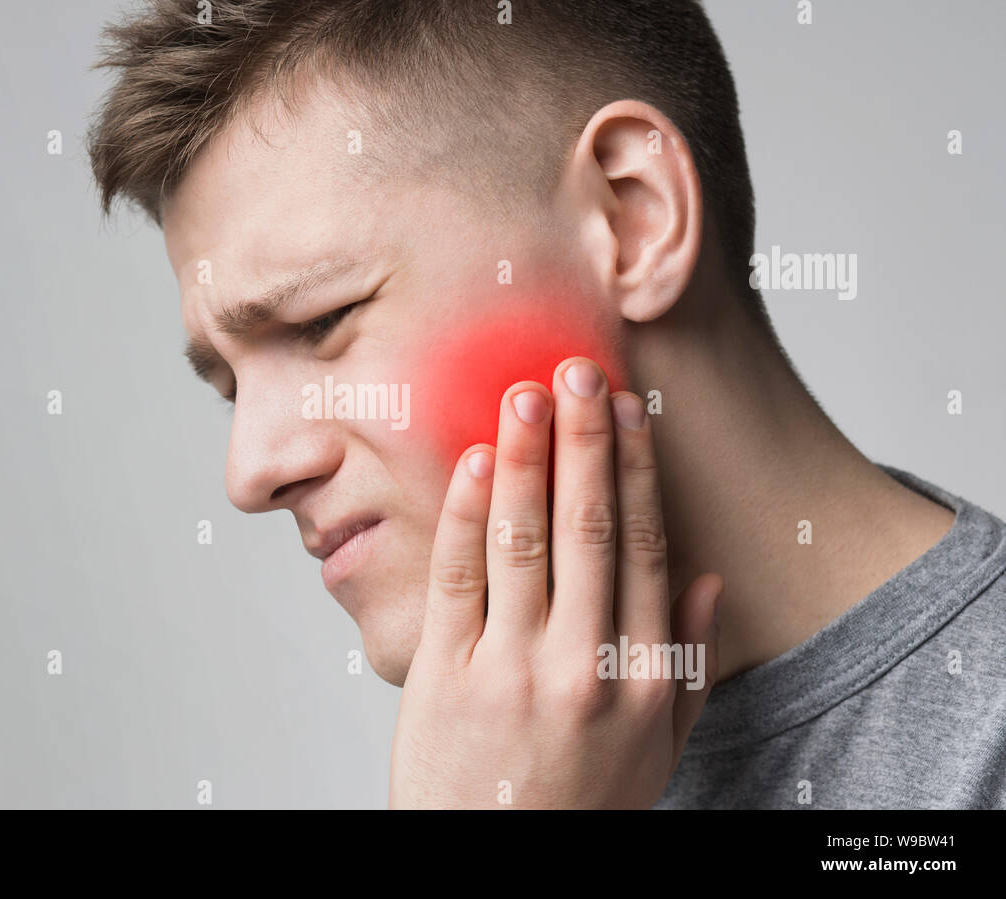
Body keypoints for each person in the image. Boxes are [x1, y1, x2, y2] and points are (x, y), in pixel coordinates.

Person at [87, 0, 1006, 808]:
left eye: (322, 319)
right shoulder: (495, 755)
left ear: (633, 217)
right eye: (231, 385)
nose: (248, 473)